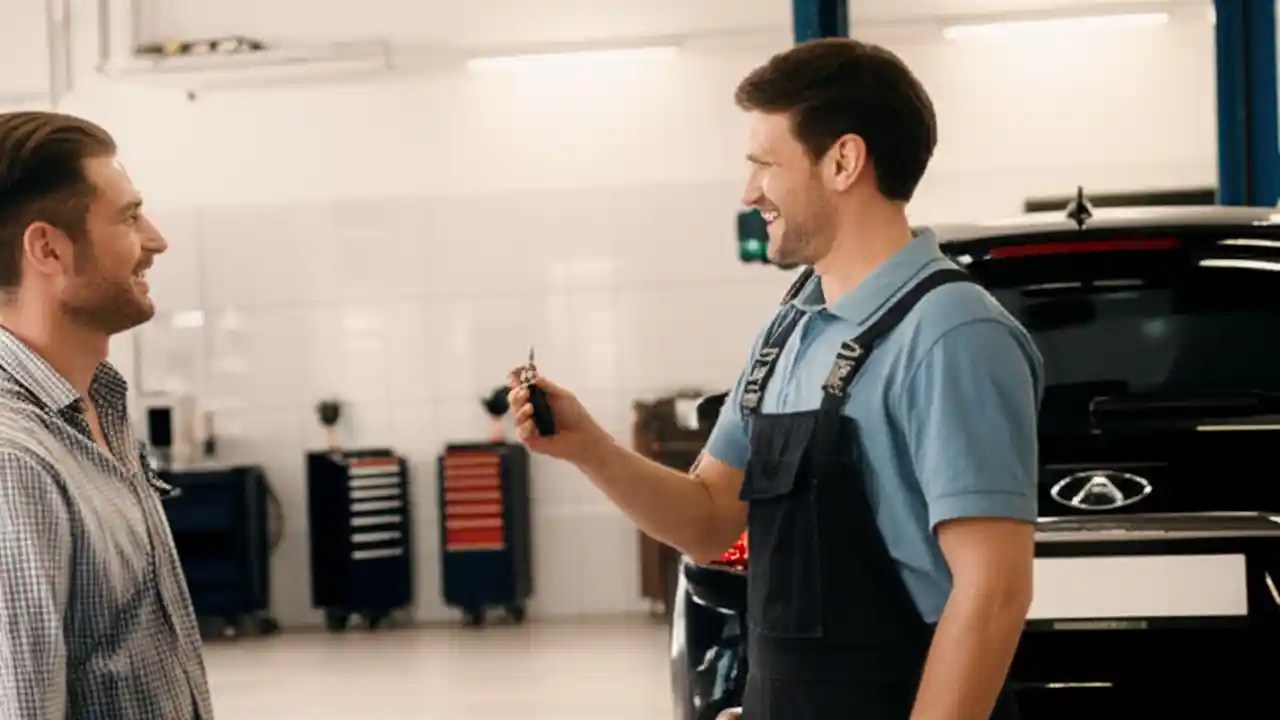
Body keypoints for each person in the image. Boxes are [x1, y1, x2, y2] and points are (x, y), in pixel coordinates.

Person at [509, 38, 1042, 719]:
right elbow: (708, 519)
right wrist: (588, 447)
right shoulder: (791, 326)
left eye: (764, 163)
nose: (748, 190)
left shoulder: (952, 334)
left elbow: (993, 593)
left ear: (843, 161)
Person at [0, 111, 214, 718]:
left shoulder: (97, 410)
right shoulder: (14, 462)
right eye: (128, 216)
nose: (156, 239)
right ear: (47, 247)